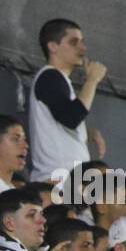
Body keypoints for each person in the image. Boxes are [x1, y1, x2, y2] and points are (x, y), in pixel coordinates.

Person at [27, 18, 107, 181]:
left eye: (83, 42)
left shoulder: (58, 79)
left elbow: (63, 116)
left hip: (68, 181)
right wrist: (92, 80)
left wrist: (86, 131)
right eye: (73, 42)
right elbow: (71, 118)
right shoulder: (50, 76)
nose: (82, 48)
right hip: (57, 180)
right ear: (53, 46)